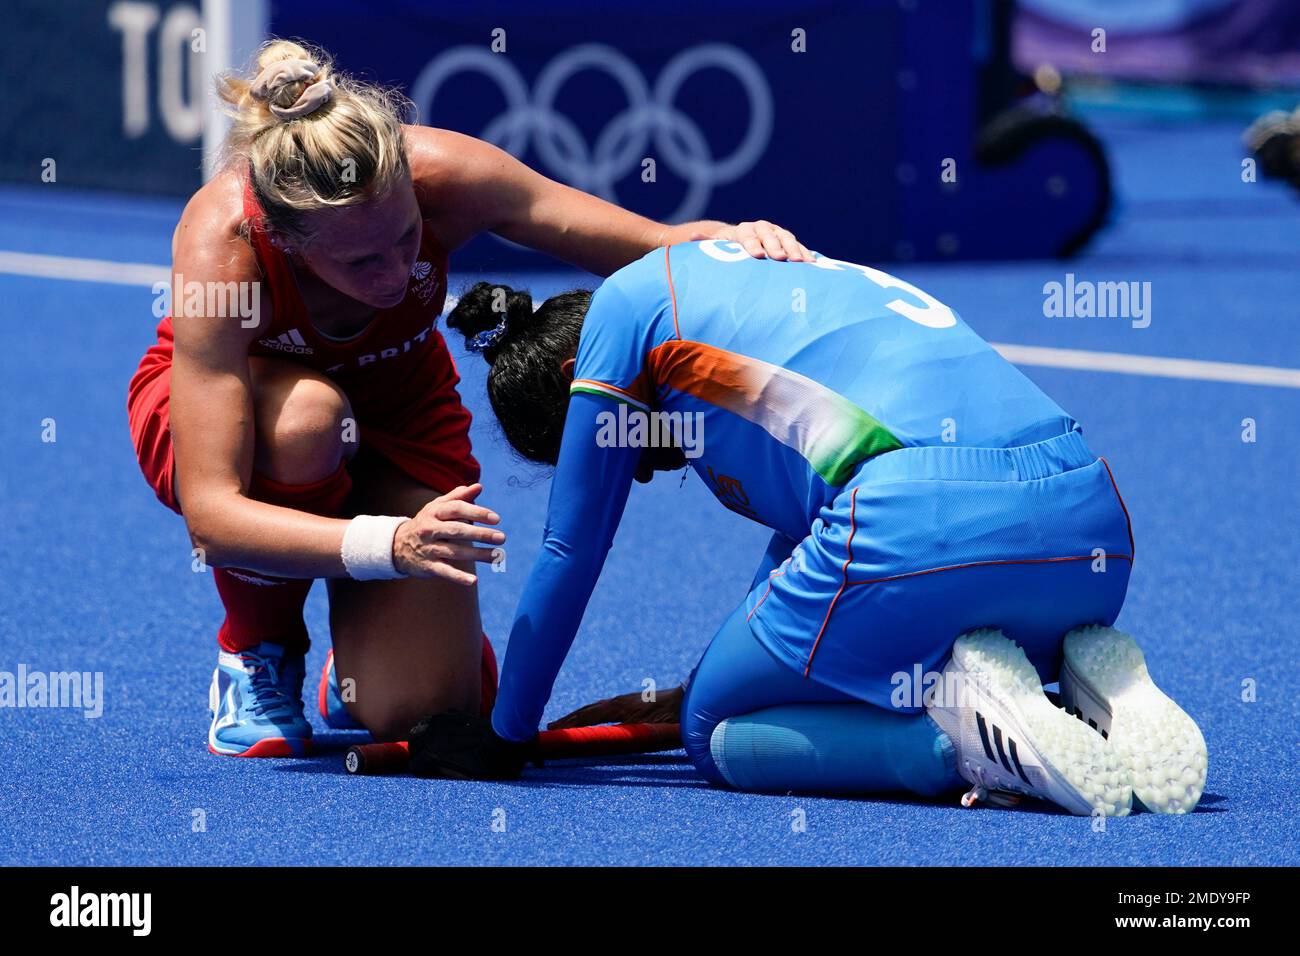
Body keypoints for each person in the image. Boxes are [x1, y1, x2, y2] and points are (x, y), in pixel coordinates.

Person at [126, 39, 810, 757]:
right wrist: (390, 542)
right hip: (252, 424)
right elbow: (215, 517)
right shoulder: (224, 246)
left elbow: (661, 247)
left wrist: (741, 252)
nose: (396, 272)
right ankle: (257, 653)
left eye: (405, 237)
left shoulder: (445, 175)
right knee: (307, 421)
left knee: (427, 712)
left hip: (401, 413)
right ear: (290, 242)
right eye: (361, 260)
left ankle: (358, 670)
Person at [415, 239, 1207, 816]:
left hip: (922, 535)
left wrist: (506, 732)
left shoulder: (619, 314)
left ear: (572, 380)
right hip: (1089, 535)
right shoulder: (766, 272)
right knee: (860, 616)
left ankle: (959, 743)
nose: (644, 472)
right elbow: (804, 554)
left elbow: (570, 547)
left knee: (715, 729)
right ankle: (1076, 687)